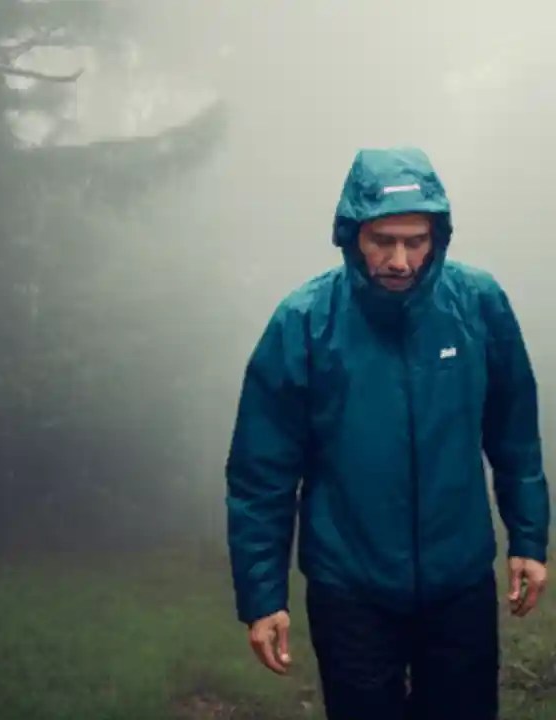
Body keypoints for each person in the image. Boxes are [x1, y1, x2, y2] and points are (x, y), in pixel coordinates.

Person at [225, 146, 548, 720]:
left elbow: (514, 433)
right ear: (352, 235)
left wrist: (528, 538)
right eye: (383, 241)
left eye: (416, 241)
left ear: (437, 237)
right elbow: (261, 474)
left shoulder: (477, 305)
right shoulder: (305, 321)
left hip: (459, 582)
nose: (400, 261)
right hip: (350, 587)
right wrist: (262, 596)